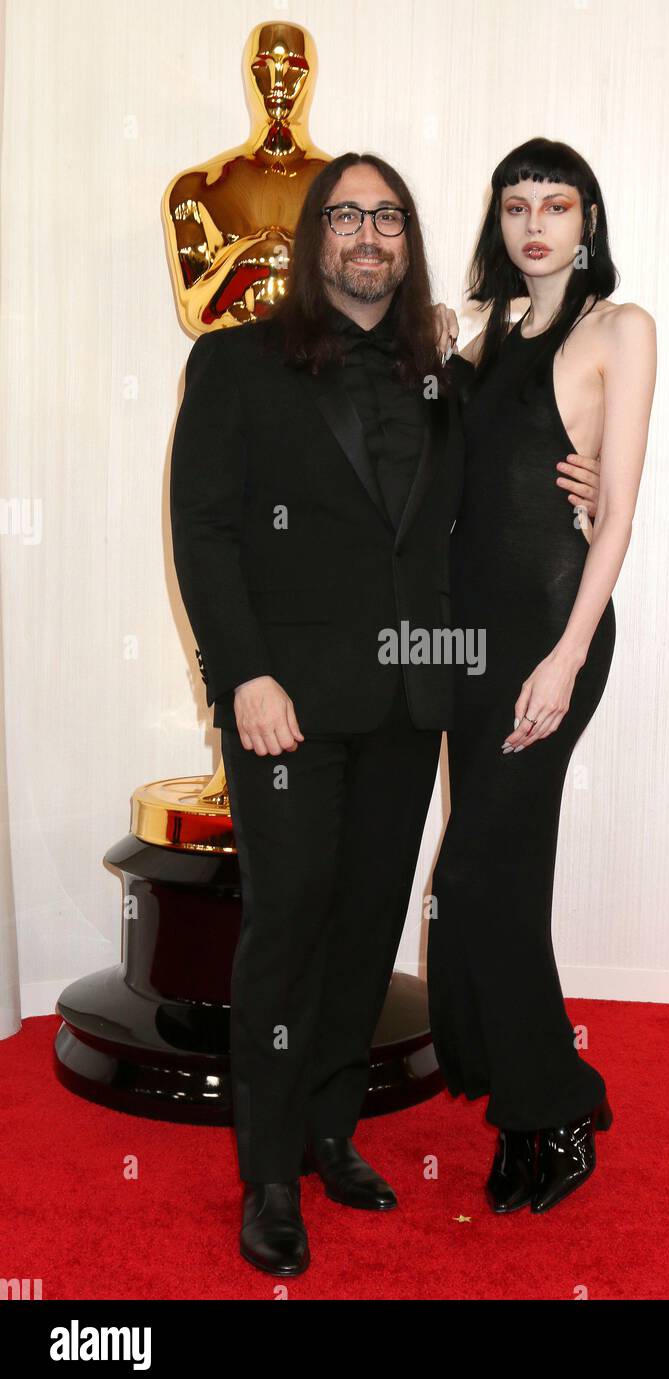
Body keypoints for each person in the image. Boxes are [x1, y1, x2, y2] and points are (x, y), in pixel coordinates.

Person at [169, 150, 595, 1276]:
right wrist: (240, 677)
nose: (368, 235)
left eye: (389, 218)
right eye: (347, 216)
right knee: (288, 923)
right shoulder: (234, 363)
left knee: (364, 926)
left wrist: (588, 483)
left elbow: (499, 481)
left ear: (407, 244)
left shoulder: (439, 379)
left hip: (412, 700)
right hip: (286, 710)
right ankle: (266, 1172)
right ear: (316, 239)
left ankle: (327, 1134)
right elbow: (204, 531)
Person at [427, 137, 656, 1215]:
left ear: (588, 221)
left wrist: (567, 653)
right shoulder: (474, 339)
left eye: (555, 205)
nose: (534, 223)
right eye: (516, 205)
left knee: (469, 874)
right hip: (467, 641)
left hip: (552, 633)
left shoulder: (623, 330)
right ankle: (524, 1104)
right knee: (500, 874)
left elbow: (615, 515)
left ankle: (558, 1102)